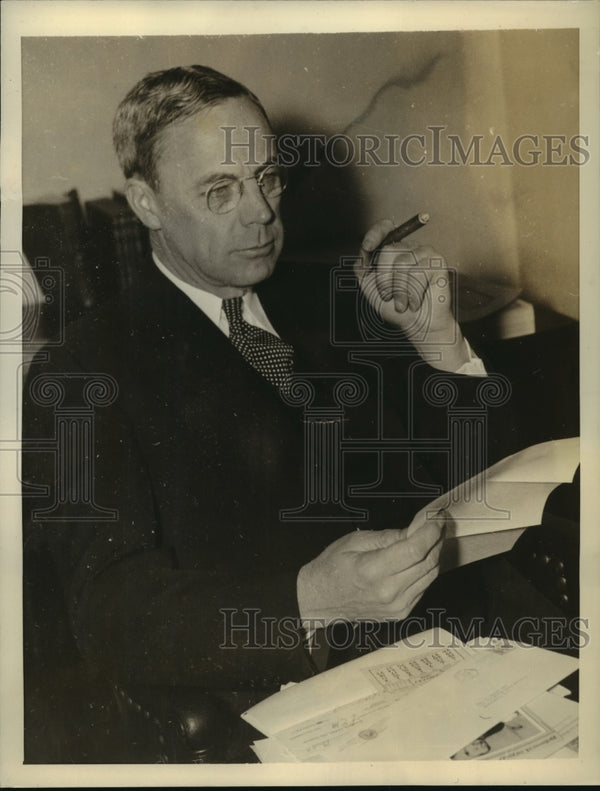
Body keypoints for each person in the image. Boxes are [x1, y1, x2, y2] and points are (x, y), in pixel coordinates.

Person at [21, 66, 552, 744]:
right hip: (293, 695)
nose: (263, 213)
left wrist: (439, 341)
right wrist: (309, 600)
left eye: (268, 178)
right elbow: (109, 612)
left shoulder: (332, 291)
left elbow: (483, 474)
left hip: (463, 651)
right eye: (221, 191)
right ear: (146, 204)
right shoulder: (83, 367)